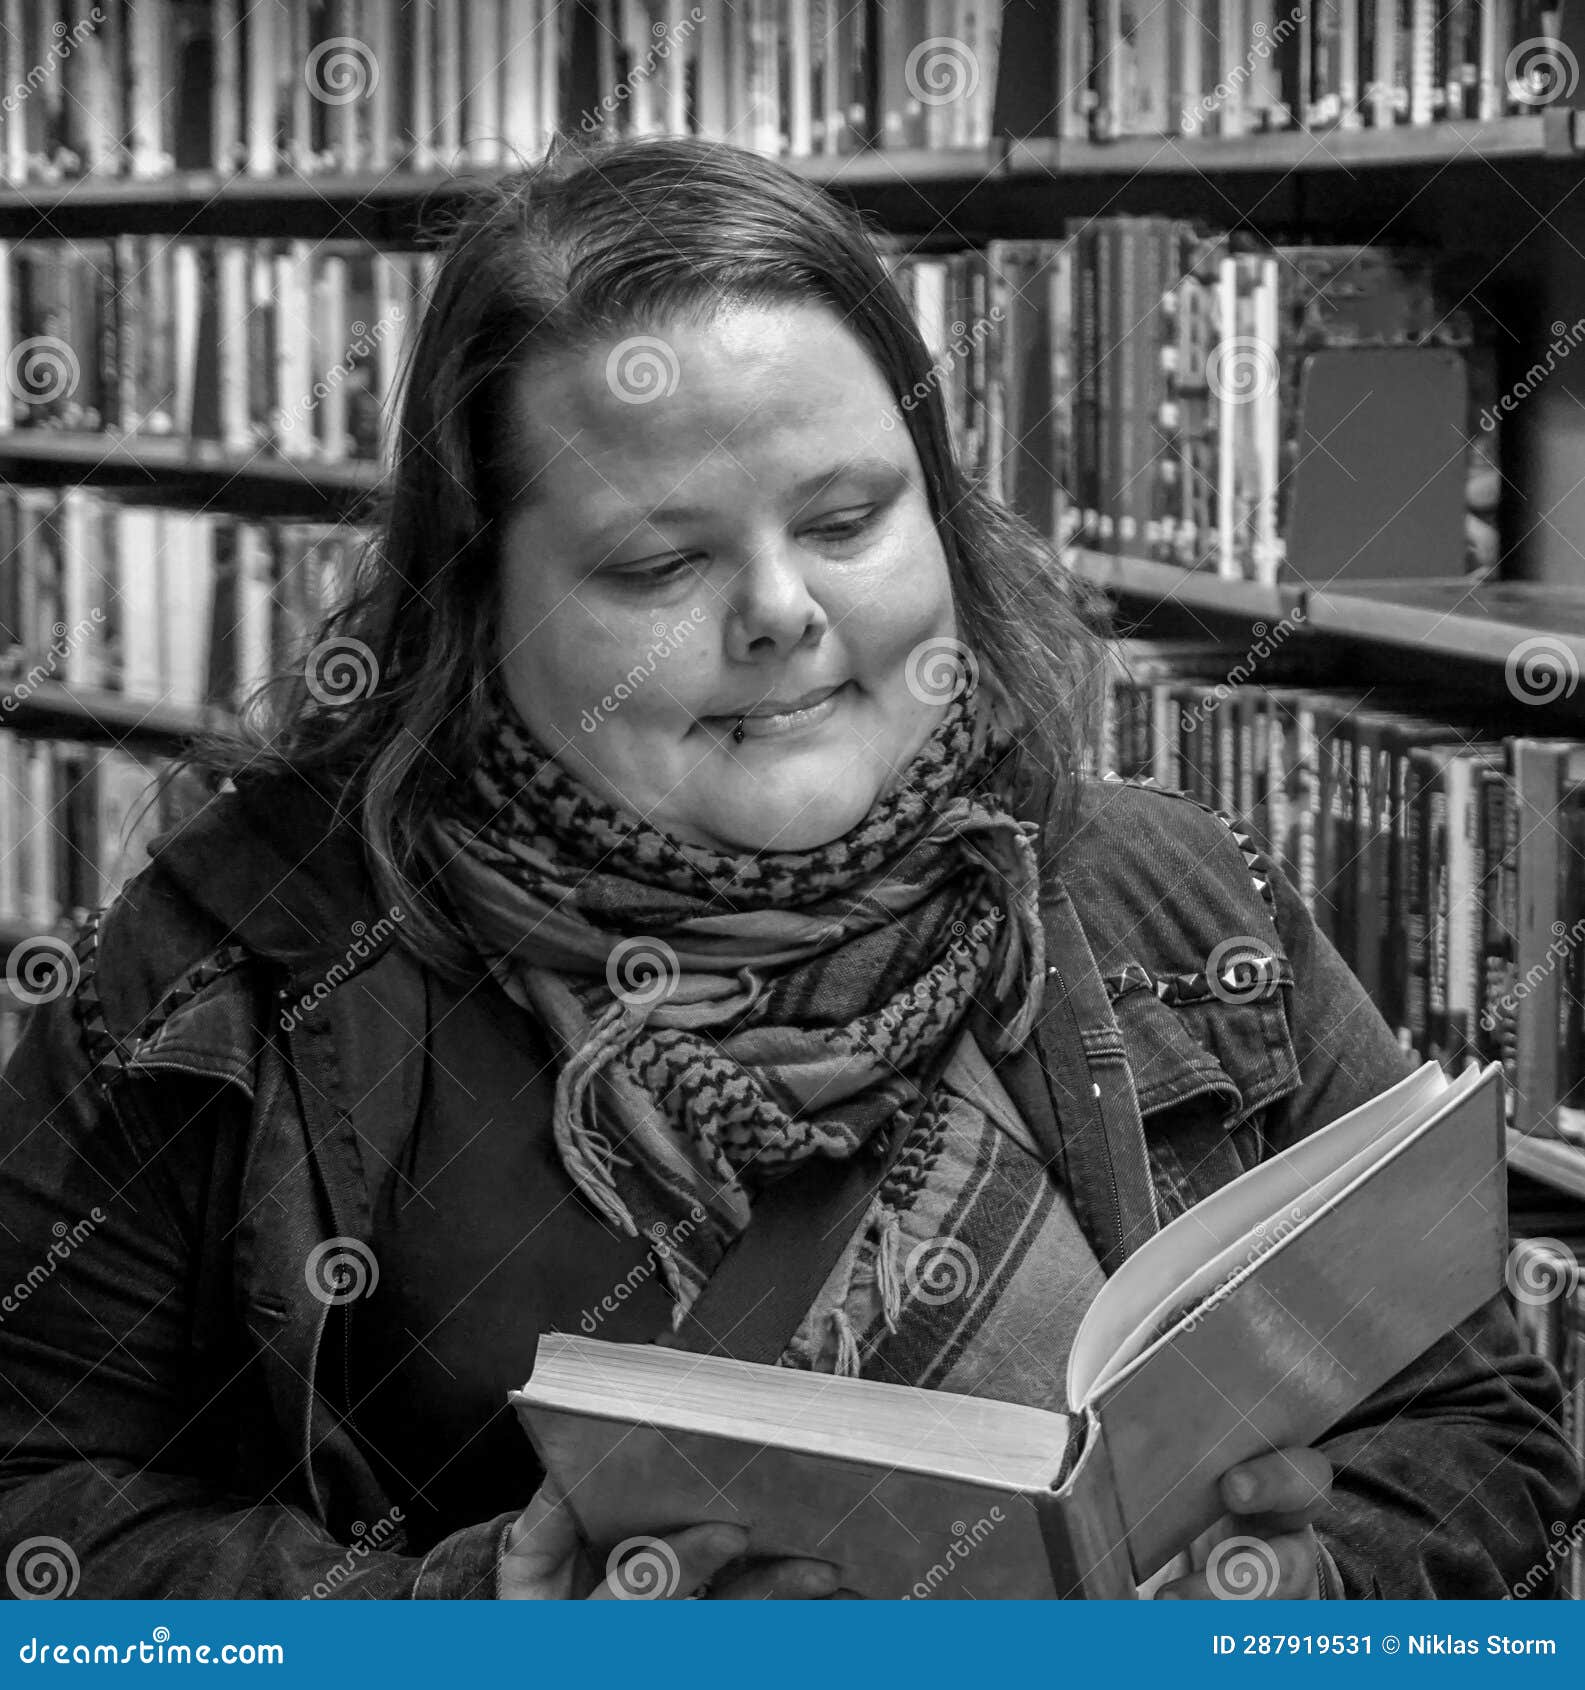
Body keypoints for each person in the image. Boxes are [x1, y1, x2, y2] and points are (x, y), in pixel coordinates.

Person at [0, 137, 1577, 1603]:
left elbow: (1480, 1429)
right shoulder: (244, 953)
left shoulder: (1180, 893)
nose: (779, 613)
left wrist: (1290, 1586)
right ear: (476, 602)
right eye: (658, 564)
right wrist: (455, 1617)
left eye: (846, 516)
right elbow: (36, 1497)